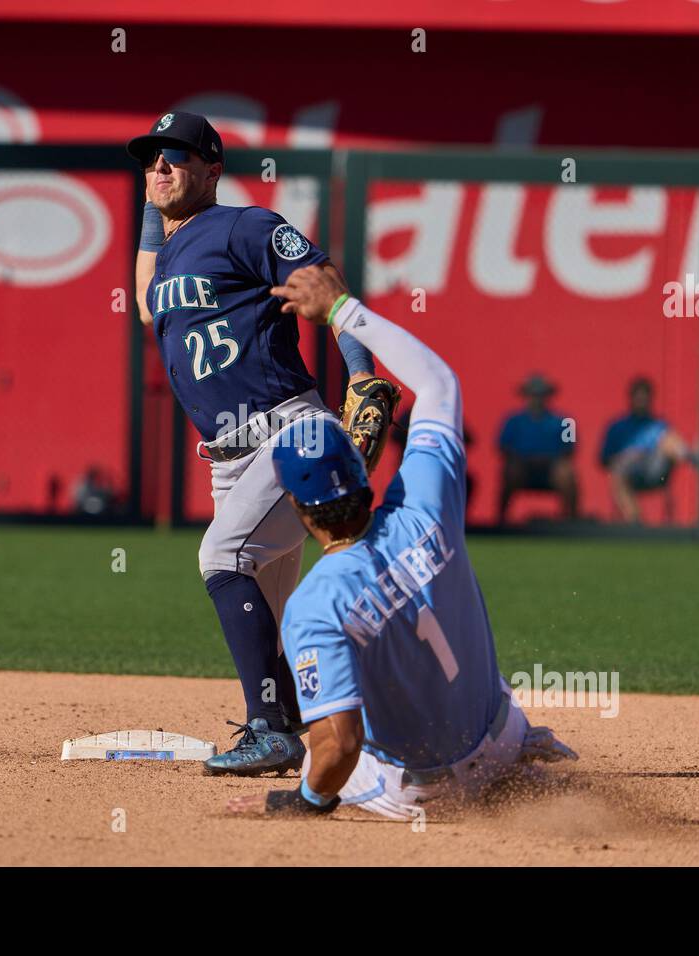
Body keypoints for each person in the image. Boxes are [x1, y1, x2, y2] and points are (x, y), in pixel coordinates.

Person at [227, 266, 576, 821]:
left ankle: (466, 779)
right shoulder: (426, 506)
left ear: (295, 505)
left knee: (318, 746)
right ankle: (520, 754)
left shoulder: (316, 604)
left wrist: (299, 800)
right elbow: (439, 383)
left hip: (423, 793)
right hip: (499, 739)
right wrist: (344, 310)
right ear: (364, 473)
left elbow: (340, 748)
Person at [127, 111, 400, 775]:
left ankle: (268, 730)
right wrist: (152, 205)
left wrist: (361, 372)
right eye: (152, 158)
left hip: (289, 431)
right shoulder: (165, 265)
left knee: (223, 557)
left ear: (212, 169)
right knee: (266, 619)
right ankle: (334, 730)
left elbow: (325, 284)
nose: (161, 167)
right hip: (228, 459)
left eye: (178, 157)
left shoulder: (246, 226)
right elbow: (143, 304)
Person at [599, 377, 698, 523]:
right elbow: (603, 459)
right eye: (639, 398)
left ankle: (691, 456)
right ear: (631, 398)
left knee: (667, 439)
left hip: (655, 470)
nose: (642, 402)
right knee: (619, 472)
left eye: (645, 398)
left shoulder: (658, 425)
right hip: (627, 471)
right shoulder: (617, 427)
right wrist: (628, 456)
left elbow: (666, 446)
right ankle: (635, 521)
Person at [496, 373, 578, 523]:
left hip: (552, 468)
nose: (537, 399)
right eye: (533, 394)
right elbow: (503, 447)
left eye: (541, 394)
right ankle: (502, 520)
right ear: (526, 396)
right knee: (511, 469)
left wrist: (548, 460)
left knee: (566, 471)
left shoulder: (566, 421)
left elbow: (570, 449)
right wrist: (525, 459)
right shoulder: (512, 420)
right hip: (523, 467)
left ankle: (571, 519)